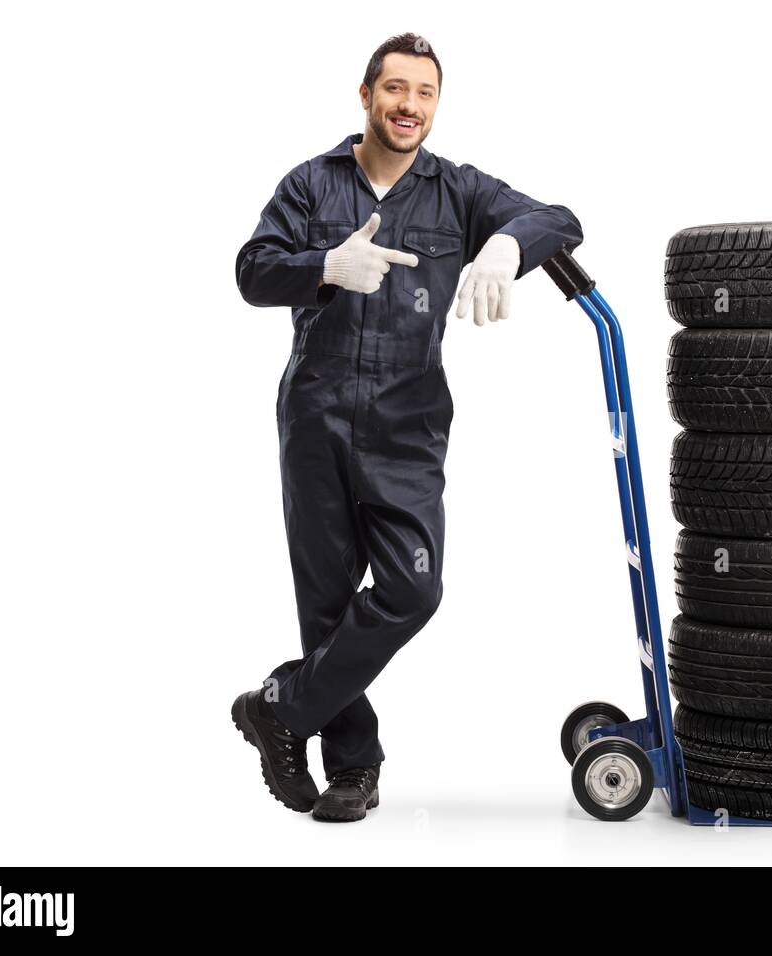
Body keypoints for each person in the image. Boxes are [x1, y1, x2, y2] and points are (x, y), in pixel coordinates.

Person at [231, 33, 582, 822]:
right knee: (325, 599)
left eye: (424, 93)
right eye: (395, 89)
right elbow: (252, 270)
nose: (408, 106)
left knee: (412, 590)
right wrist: (323, 266)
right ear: (365, 96)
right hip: (315, 415)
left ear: (435, 104)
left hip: (407, 424)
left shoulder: (456, 191)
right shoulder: (311, 184)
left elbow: (560, 219)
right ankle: (354, 769)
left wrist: (503, 243)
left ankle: (280, 708)